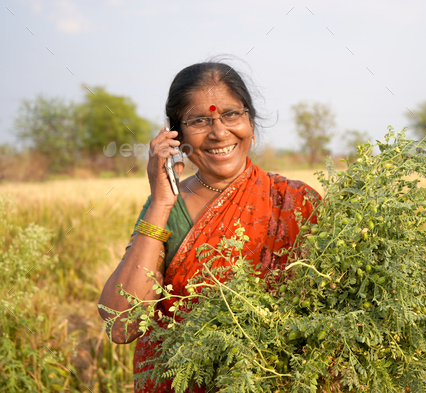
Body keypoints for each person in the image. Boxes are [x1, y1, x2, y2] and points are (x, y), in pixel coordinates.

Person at [98, 62, 320, 392]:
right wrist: (160, 203)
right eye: (200, 121)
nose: (219, 132)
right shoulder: (168, 208)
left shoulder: (296, 202)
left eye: (231, 114)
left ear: (250, 123)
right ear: (178, 136)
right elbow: (121, 326)